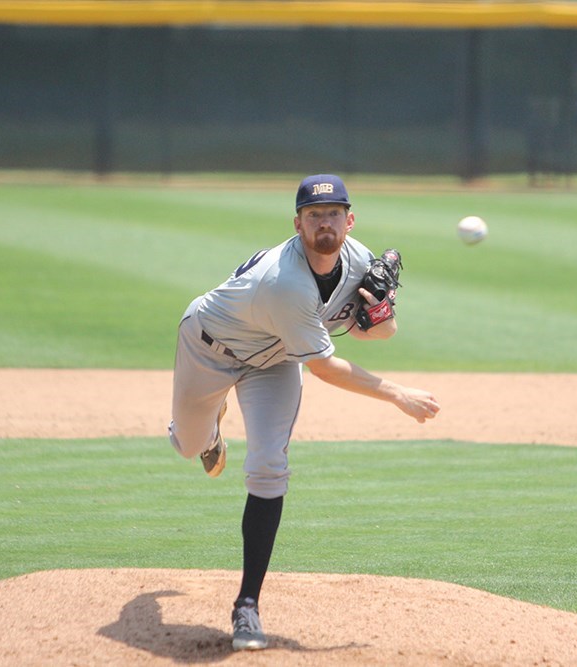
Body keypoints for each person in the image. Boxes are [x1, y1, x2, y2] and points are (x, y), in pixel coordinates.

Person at [167, 174, 441, 651]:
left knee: (269, 465)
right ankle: (209, 431)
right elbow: (327, 369)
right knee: (188, 445)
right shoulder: (284, 282)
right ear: (298, 224)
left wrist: (382, 314)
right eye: (314, 216)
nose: (325, 223)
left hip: (274, 363)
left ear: (350, 221)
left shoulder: (357, 260)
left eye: (334, 213)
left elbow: (369, 333)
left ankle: (246, 605)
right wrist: (398, 394)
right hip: (209, 350)